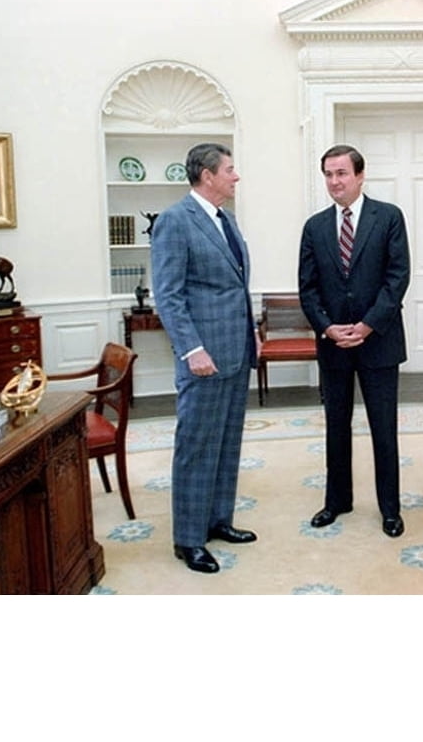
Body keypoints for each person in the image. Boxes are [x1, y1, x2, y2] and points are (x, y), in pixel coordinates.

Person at [151, 142, 259, 574]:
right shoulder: (175, 222)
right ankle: (189, 539)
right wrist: (191, 349)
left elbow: (234, 287)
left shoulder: (226, 220)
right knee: (196, 446)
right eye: (230, 169)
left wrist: (250, 333)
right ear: (207, 175)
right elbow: (169, 296)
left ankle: (218, 520)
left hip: (235, 352)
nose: (236, 177)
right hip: (204, 357)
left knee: (227, 442)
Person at [298, 144, 411, 538]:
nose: (335, 181)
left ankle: (390, 509)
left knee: (384, 428)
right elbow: (307, 288)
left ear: (360, 176)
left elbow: (397, 279)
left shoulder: (389, 218)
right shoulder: (314, 227)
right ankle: (337, 501)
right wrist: (327, 327)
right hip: (333, 344)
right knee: (336, 426)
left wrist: (366, 326)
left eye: (342, 173)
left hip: (378, 342)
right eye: (328, 174)